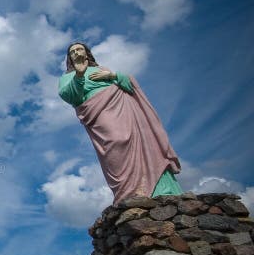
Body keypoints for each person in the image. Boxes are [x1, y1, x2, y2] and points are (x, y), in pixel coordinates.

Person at [59, 41, 182, 203]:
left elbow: (129, 85)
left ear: (87, 52)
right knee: (116, 141)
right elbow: (68, 95)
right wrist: (79, 76)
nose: (76, 52)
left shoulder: (100, 69)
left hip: (123, 106)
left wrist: (113, 76)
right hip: (97, 111)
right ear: (69, 57)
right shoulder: (68, 77)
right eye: (72, 51)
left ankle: (160, 188)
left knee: (144, 143)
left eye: (79, 49)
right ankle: (129, 190)